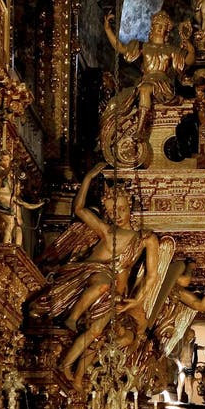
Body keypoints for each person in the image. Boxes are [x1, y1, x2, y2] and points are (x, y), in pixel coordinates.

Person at [29, 161, 160, 387]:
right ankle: (72, 318)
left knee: (97, 333)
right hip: (94, 273)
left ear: (130, 204)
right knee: (101, 286)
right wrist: (88, 178)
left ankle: (72, 370)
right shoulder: (107, 231)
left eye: (120, 209)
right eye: (111, 211)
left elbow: (152, 275)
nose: (117, 215)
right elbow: (79, 209)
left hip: (117, 295)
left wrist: (136, 301)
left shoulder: (146, 238)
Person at [103, 10, 195, 139]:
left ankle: (140, 129)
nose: (159, 28)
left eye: (163, 26)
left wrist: (191, 50)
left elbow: (188, 61)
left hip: (162, 84)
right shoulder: (142, 46)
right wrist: (108, 30)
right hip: (145, 81)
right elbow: (121, 48)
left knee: (145, 89)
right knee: (117, 102)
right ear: (152, 27)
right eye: (157, 25)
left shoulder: (171, 50)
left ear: (167, 30)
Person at [0, 149, 44, 246]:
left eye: (8, 159)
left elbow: (24, 203)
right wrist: (12, 165)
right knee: (10, 223)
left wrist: (40, 204)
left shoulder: (9, 180)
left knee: (18, 226)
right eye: (5, 160)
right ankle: (5, 246)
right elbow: (5, 173)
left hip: (9, 206)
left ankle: (18, 247)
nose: (7, 162)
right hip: (1, 205)